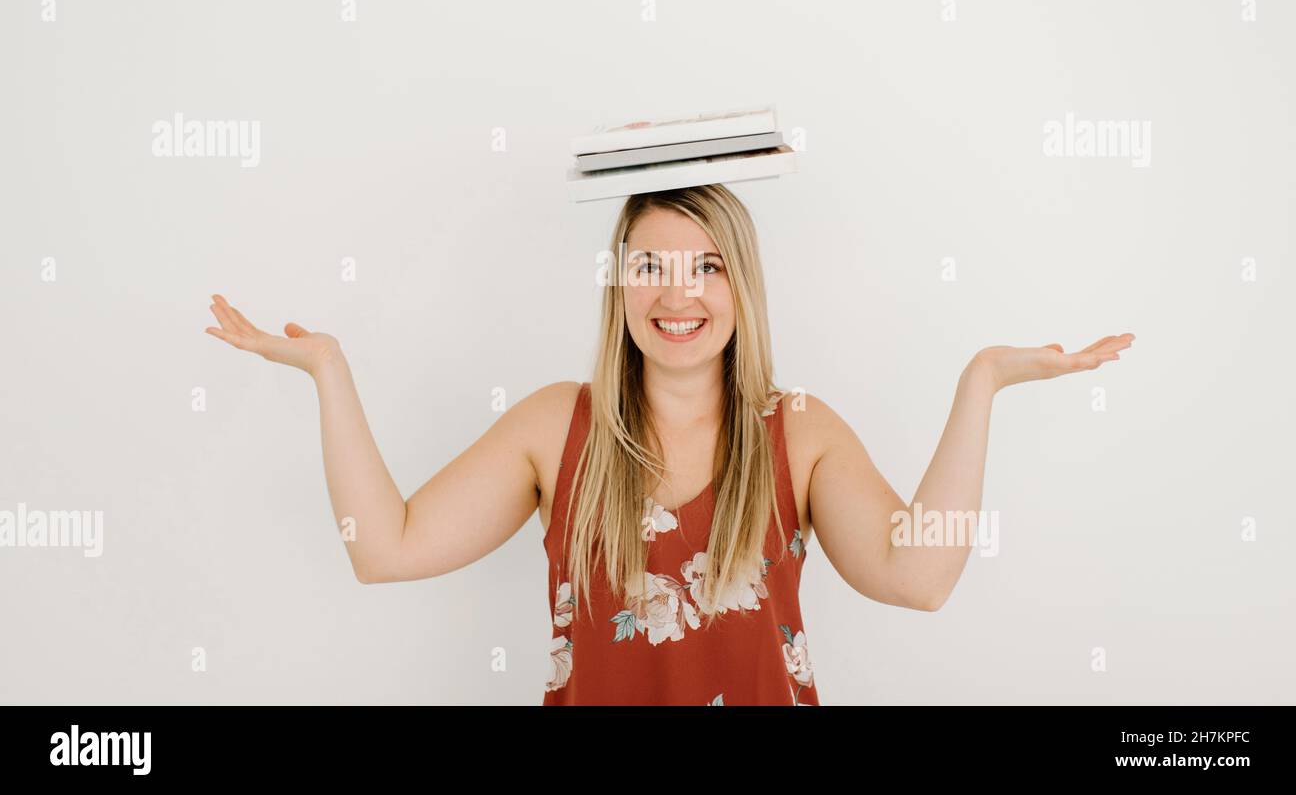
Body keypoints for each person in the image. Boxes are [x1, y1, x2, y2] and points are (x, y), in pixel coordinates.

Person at [203, 184, 1134, 705]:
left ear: (741, 286)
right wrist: (329, 370)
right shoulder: (555, 425)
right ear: (618, 285)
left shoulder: (798, 427)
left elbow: (918, 577)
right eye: (649, 265)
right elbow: (386, 547)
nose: (677, 294)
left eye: (707, 266)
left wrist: (981, 383)